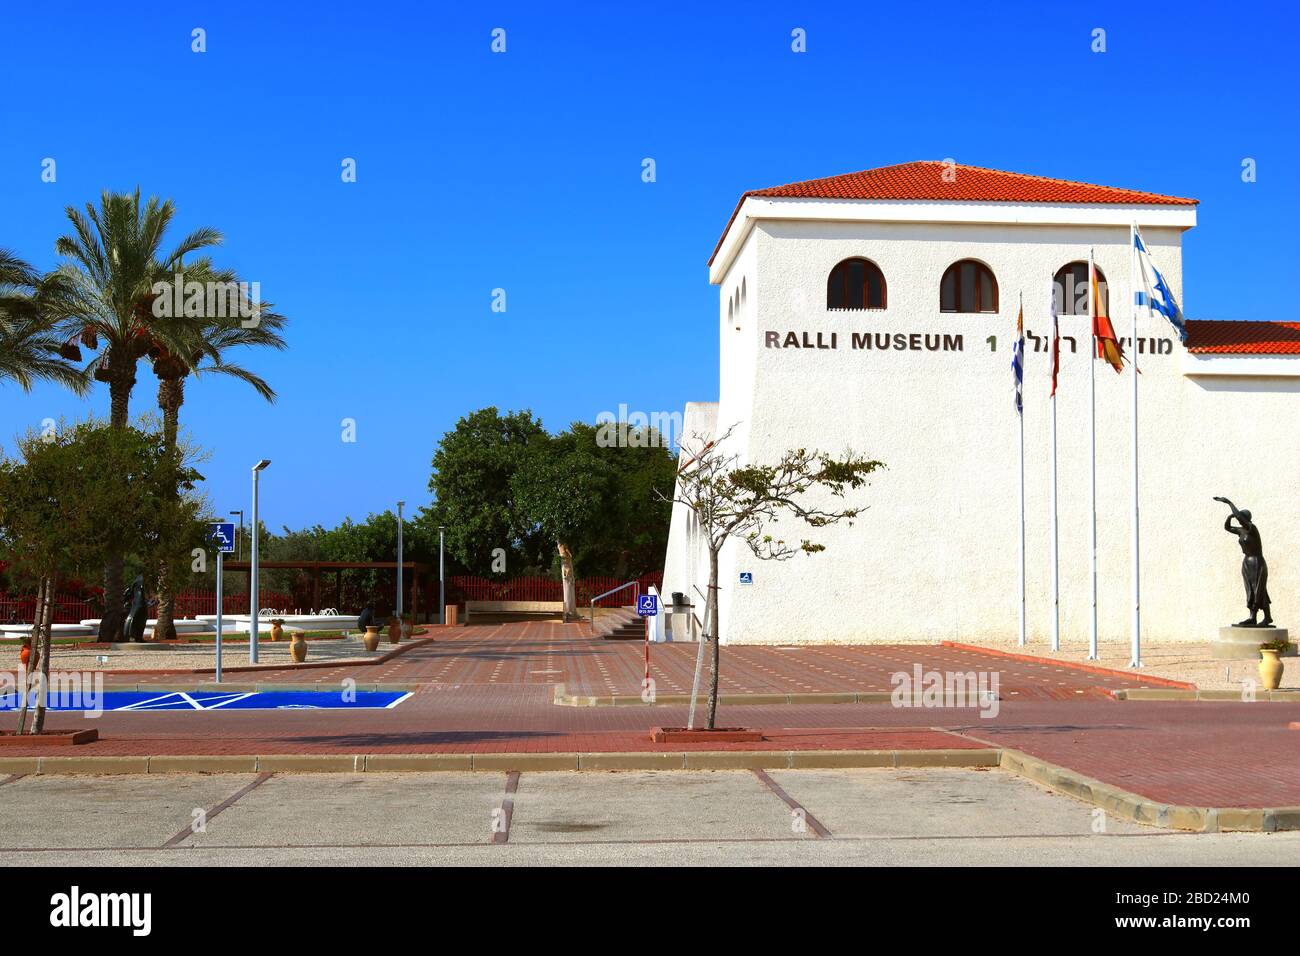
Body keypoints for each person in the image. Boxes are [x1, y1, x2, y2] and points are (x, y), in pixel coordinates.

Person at [1214, 497, 1273, 627]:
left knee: (1259, 589)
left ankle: (1267, 617)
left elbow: (1239, 517)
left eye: (1241, 517)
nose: (1239, 519)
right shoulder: (1241, 531)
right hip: (1247, 563)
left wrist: (1229, 503)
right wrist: (1229, 518)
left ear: (1246, 518)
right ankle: (1253, 617)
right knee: (1250, 589)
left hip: (1257, 562)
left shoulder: (1252, 529)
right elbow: (1227, 527)